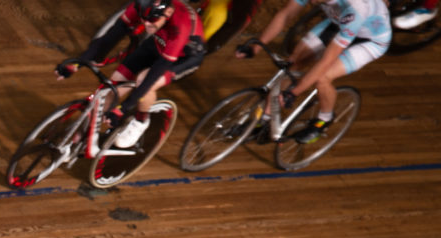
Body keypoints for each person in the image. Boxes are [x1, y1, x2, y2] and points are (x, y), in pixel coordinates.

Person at [235, 0, 390, 144]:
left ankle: (324, 119)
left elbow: (326, 61)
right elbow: (286, 14)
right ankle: (265, 120)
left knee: (323, 77)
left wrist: (294, 92)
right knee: (293, 63)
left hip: (370, 40)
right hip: (338, 23)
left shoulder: (355, 9)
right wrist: (257, 47)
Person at [56, 0, 206, 149]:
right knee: (111, 87)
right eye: (144, 21)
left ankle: (141, 120)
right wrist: (77, 64)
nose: (147, 26)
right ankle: (83, 134)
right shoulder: (139, 6)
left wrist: (124, 108)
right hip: (158, 42)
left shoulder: (180, 27)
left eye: (152, 21)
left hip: (184, 56)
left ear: (167, 14)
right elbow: (107, 39)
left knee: (144, 81)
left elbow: (153, 75)